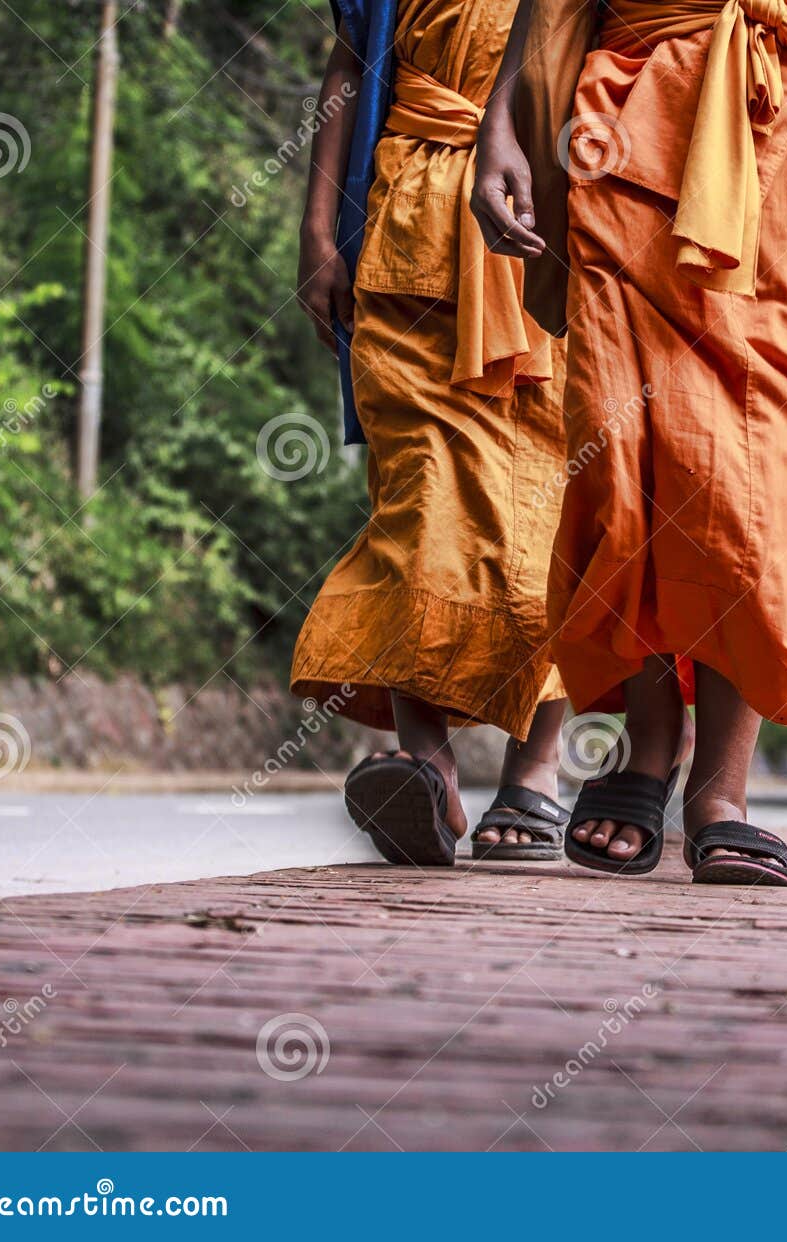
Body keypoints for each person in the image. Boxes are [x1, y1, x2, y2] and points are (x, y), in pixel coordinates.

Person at [471, 0, 787, 886]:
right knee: (630, 447)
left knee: (760, 464)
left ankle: (722, 789)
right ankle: (652, 734)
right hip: (623, 121)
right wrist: (499, 124)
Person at [289, 0, 576, 868]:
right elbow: (348, 66)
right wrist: (314, 230)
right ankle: (428, 766)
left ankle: (537, 768)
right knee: (417, 501)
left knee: (551, 510)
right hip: (408, 223)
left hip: (549, 228)